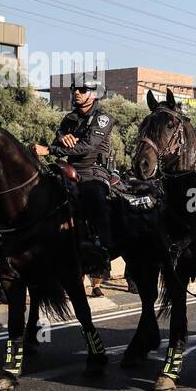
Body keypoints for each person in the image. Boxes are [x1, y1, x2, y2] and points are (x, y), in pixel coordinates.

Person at [34, 77, 115, 269]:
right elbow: (59, 137)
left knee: (94, 193)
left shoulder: (103, 119)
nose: (77, 93)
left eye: (82, 89)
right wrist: (62, 138)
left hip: (94, 170)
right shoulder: (69, 118)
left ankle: (102, 246)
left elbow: (87, 147)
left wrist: (50, 150)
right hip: (69, 168)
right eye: (74, 89)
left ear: (94, 94)